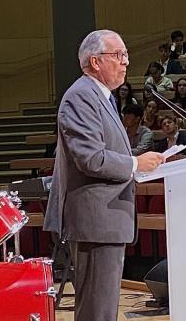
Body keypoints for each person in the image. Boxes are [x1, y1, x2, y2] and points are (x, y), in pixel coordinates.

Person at [44, 31, 164, 321]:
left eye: (126, 56)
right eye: (118, 55)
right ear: (95, 61)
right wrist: (135, 164)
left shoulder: (103, 97)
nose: (125, 62)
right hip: (94, 220)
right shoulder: (81, 98)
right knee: (97, 312)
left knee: (103, 309)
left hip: (105, 219)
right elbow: (91, 158)